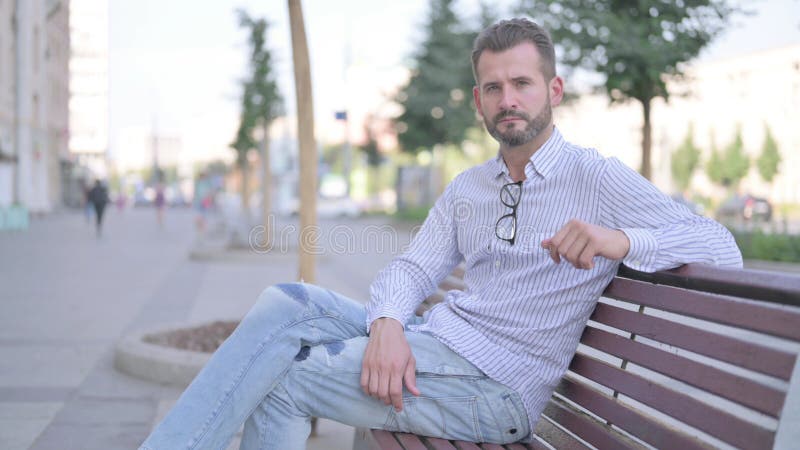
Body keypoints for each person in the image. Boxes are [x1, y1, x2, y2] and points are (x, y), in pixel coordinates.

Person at [140, 18, 742, 450]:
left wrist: (621, 241)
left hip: (496, 392)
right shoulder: (469, 187)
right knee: (287, 301)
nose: (509, 100)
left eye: (522, 84)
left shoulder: (596, 178)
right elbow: (410, 270)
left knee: (287, 379)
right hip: (439, 343)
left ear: (552, 91)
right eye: (493, 88)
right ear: (478, 102)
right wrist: (388, 324)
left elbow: (723, 247)